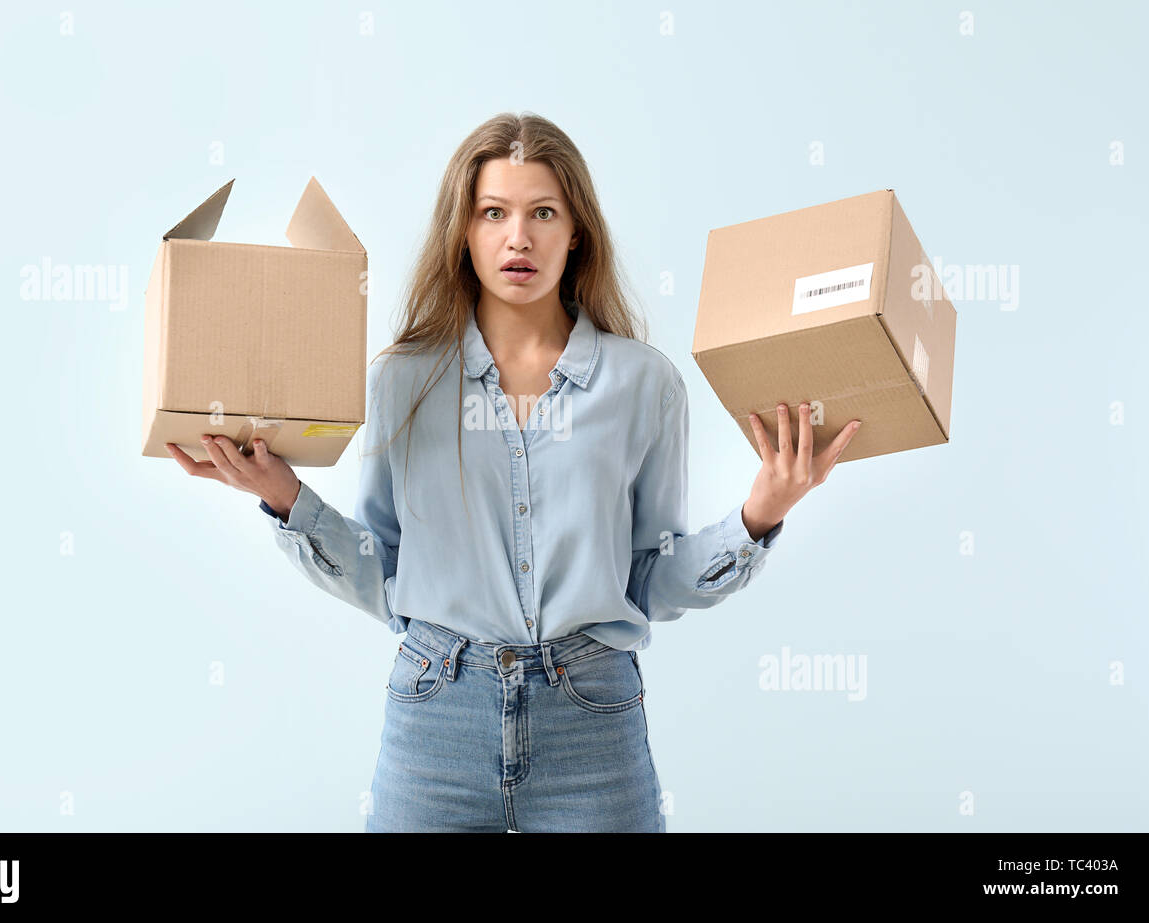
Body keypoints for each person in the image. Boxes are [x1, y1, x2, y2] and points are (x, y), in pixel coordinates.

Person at [166, 111, 861, 832]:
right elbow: (385, 576)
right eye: (493, 212)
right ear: (464, 233)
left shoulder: (643, 385)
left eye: (543, 213)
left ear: (576, 232)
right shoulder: (403, 381)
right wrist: (282, 497)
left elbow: (650, 579)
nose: (517, 236)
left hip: (592, 718)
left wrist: (761, 513)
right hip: (436, 716)